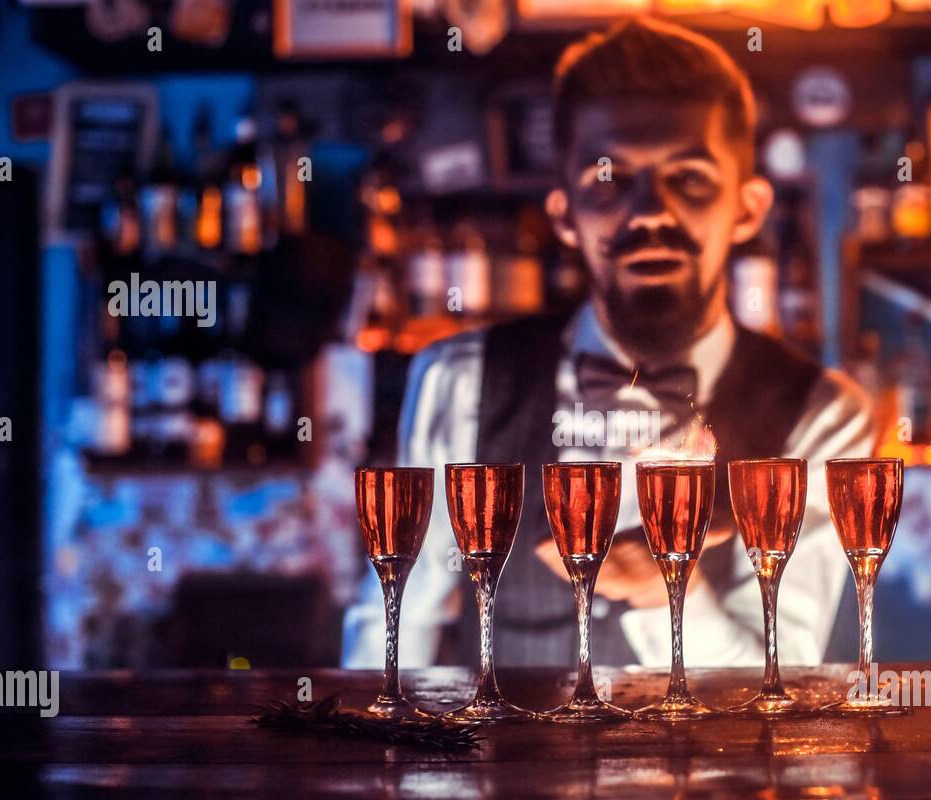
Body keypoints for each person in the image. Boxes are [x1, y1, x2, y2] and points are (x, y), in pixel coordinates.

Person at [344, 16, 876, 671]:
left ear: (747, 209)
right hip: (517, 773)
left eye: (689, 178)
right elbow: (394, 626)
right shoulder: (460, 379)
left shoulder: (823, 414)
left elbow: (785, 672)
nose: (650, 211)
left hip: (722, 776)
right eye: (609, 179)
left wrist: (665, 594)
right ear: (564, 214)